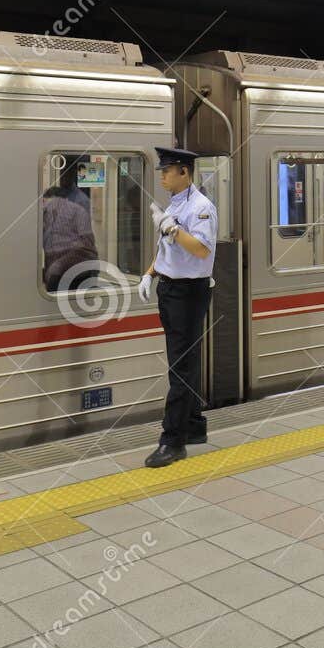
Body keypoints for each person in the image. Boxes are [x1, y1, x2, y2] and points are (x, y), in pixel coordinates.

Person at [137, 147, 217, 468]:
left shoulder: (201, 207)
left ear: (184, 172)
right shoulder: (174, 204)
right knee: (183, 359)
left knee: (180, 366)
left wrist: (171, 228)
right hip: (170, 288)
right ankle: (194, 425)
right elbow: (167, 250)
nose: (162, 175)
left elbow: (199, 249)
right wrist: (150, 272)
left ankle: (173, 441)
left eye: (167, 170)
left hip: (188, 292)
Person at [40, 185, 98, 292]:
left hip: (63, 271)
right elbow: (88, 243)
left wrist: (57, 266)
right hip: (86, 269)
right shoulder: (79, 210)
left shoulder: (43, 212)